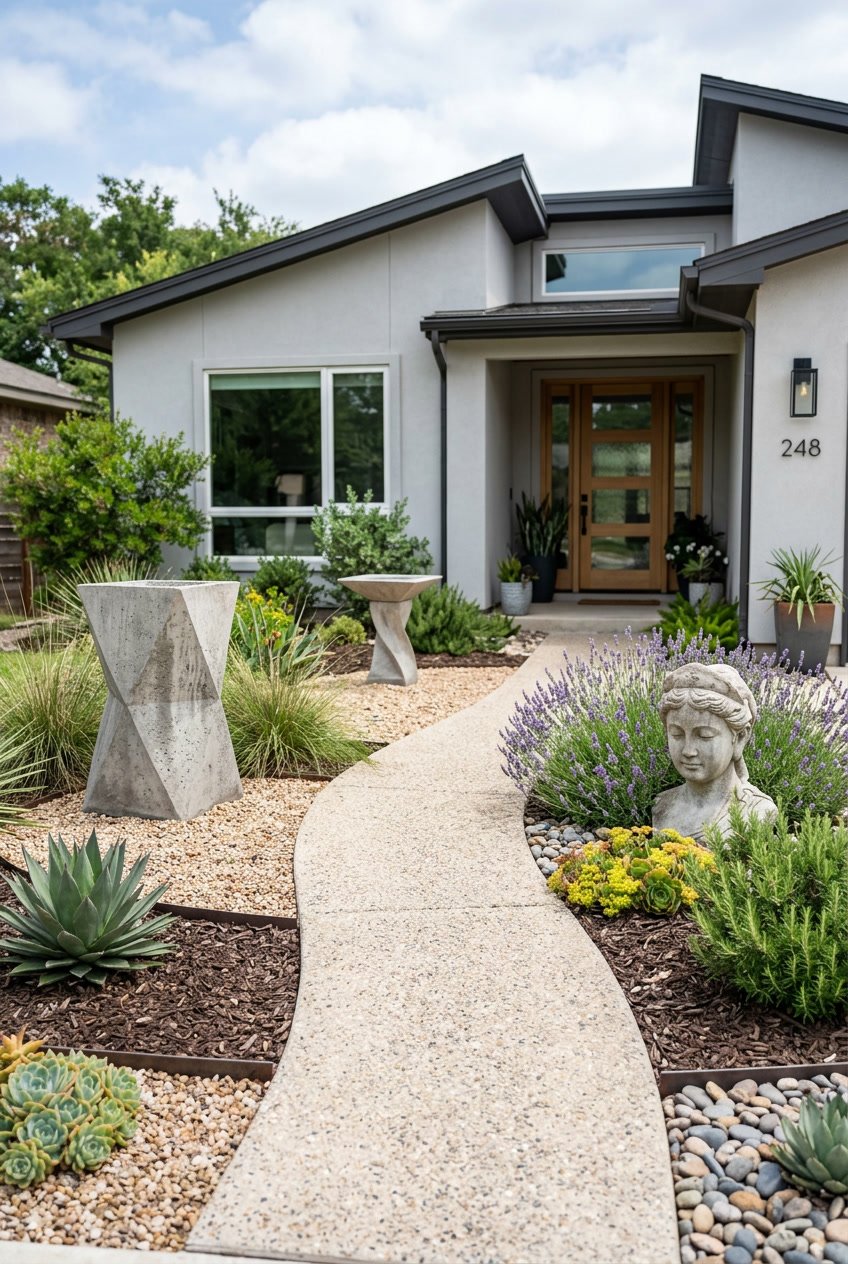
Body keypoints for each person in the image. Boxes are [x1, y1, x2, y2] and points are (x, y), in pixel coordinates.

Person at [652, 662, 777, 842]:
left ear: (740, 738)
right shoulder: (661, 805)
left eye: (704, 736)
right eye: (677, 734)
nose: (688, 751)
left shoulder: (757, 811)